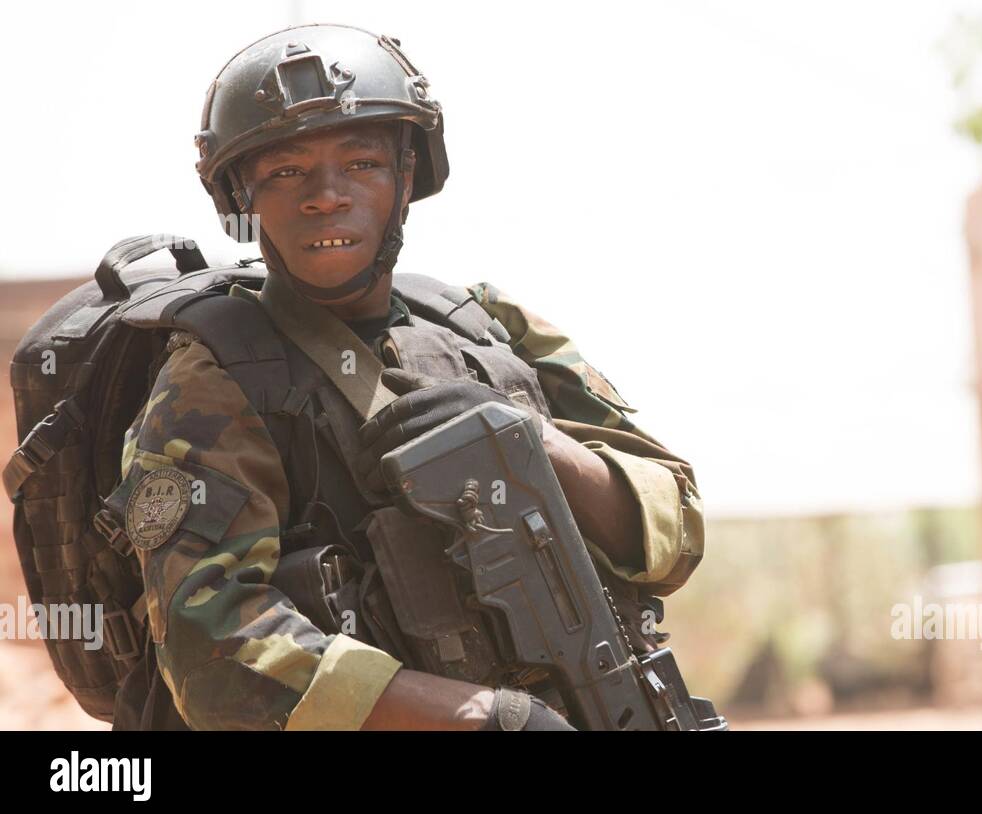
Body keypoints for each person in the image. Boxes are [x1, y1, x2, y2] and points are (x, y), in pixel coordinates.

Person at [113, 23, 705, 730]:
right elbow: (214, 655)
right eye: (284, 171)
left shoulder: (486, 324)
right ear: (243, 196)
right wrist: (485, 717)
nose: (325, 196)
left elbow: (677, 530)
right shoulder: (216, 378)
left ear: (407, 175)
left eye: (361, 162)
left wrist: (532, 444)